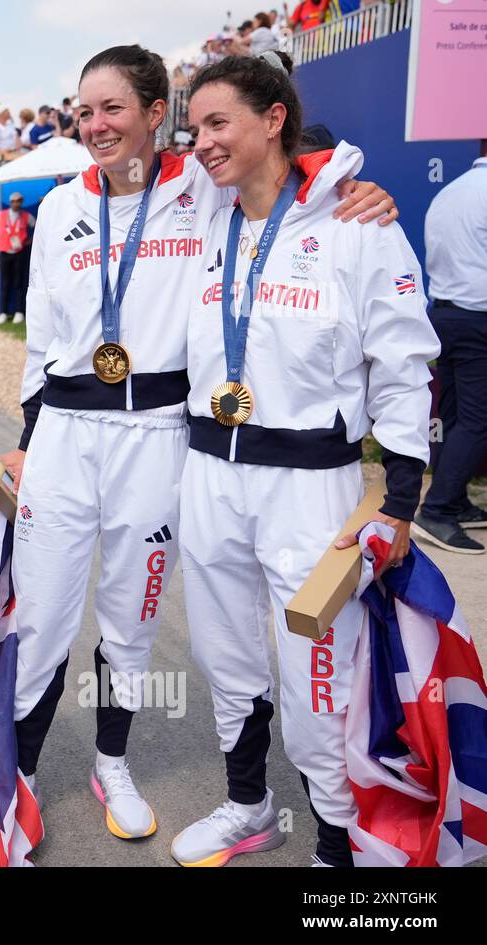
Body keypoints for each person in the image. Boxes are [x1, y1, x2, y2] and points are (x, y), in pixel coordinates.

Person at [7, 44, 396, 849]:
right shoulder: (55, 211)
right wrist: (26, 438)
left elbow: (285, 168)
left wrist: (355, 187)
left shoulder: (201, 187)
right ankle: (17, 777)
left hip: (159, 434)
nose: (95, 124)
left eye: (113, 108)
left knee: (132, 617)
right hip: (67, 434)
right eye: (84, 110)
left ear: (157, 116)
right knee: (41, 614)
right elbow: (40, 338)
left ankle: (111, 761)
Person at [174, 51, 436, 868]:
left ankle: (337, 844)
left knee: (318, 678)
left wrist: (397, 499)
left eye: (219, 124)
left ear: (275, 118)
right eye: (194, 128)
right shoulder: (201, 216)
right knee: (226, 657)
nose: (203, 143)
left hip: (310, 486)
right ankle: (249, 807)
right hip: (209, 472)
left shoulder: (360, 222)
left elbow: (402, 367)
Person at [413, 155, 487, 554]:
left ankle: (453, 499)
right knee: (477, 420)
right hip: (477, 318)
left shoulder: (450, 192)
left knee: (457, 414)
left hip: (445, 314)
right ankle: (438, 510)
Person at [0, 191, 35, 324]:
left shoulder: (26, 216)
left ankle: (19, 312)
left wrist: (30, 241)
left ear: (21, 202)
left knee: (19, 283)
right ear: (10, 202)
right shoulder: (1, 215)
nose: (16, 203)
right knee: (5, 283)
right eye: (14, 201)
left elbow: (37, 227)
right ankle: (3, 312)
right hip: (4, 251)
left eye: (19, 201)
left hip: (19, 252)